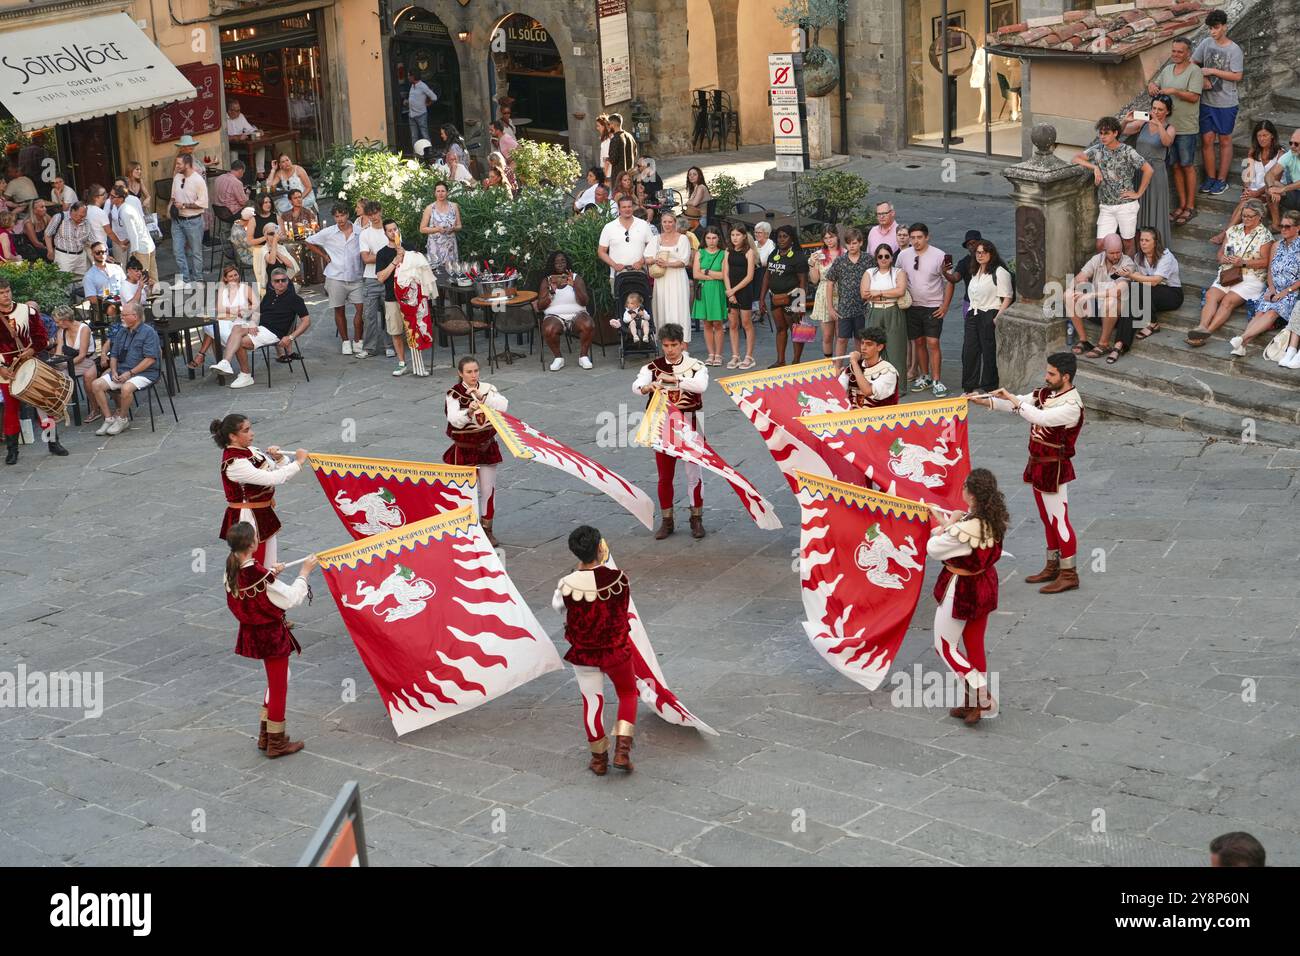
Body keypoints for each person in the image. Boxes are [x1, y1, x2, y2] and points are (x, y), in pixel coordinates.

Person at [969, 353, 1084, 595]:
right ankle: (1053, 565)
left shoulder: (1071, 406)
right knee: (1046, 518)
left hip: (1055, 467)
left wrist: (1011, 398)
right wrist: (985, 401)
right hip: (1038, 463)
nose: (1046, 376)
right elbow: (1016, 403)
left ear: (1066, 376)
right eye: (1047, 372)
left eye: (1051, 374)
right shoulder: (1046, 393)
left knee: (1059, 519)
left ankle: (1069, 573)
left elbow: (1039, 417)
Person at [223, 520, 316, 759]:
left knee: (278, 680)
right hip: (270, 634)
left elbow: (255, 590)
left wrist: (272, 573)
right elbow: (291, 598)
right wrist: (305, 572)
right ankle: (276, 742)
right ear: (253, 544)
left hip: (251, 633)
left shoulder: (231, 567)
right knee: (278, 686)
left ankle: (267, 735)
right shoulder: (260, 576)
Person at [551, 526, 639, 775]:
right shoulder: (619, 578)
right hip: (616, 650)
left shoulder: (565, 584)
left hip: (584, 652)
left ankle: (599, 759)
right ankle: (622, 751)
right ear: (600, 547)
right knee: (628, 694)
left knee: (592, 701)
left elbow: (558, 607)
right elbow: (624, 607)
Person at [926, 468, 1007, 725]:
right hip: (984, 585)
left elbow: (934, 548)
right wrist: (953, 521)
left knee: (944, 647)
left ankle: (981, 693)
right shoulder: (991, 518)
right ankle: (971, 703)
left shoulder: (966, 526)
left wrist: (945, 526)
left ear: (971, 495)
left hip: (961, 589)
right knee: (974, 646)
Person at [633, 323, 709, 540]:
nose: (670, 349)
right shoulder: (653, 367)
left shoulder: (696, 366)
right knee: (664, 477)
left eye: (674, 345)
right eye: (666, 345)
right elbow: (637, 385)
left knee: (694, 475)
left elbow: (700, 386)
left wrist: (675, 379)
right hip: (662, 427)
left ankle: (697, 518)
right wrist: (647, 387)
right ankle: (667, 521)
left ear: (682, 344)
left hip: (690, 425)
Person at [212, 412, 306, 570]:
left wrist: (279, 458)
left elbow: (277, 470)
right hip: (247, 519)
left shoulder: (252, 450)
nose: (252, 433)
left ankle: (267, 592)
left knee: (270, 564)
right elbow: (273, 478)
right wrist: (299, 462)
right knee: (256, 565)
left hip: (263, 512)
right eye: (246, 430)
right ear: (233, 436)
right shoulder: (235, 463)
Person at [1187, 200, 1274, 347]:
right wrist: (1222, 258)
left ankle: (1206, 333)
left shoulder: (1265, 235)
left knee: (1228, 301)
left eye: (1250, 216)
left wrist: (1243, 262)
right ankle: (1201, 326)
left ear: (1260, 216)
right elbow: (1220, 253)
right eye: (1244, 215)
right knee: (1210, 295)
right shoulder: (1233, 230)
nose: (1245, 219)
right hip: (1229, 273)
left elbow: (1266, 262)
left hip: (1251, 277)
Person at [0, 279, 68, 463]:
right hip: (6, 370)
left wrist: (31, 350)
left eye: (8, 291)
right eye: (2, 292)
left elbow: (41, 337)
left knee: (43, 405)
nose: (6, 295)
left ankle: (53, 442)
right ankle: (12, 451)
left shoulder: (27, 311)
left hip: (29, 364)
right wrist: (1, 369)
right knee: (11, 409)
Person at [445, 356, 508, 546]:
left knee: (488, 491)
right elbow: (454, 419)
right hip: (465, 449)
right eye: (469, 372)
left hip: (487, 447)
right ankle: (469, 531)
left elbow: (504, 406)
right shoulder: (453, 394)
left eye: (476, 371)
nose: (473, 375)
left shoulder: (488, 389)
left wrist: (483, 399)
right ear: (460, 374)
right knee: (466, 492)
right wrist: (469, 411)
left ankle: (487, 530)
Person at [1072, 116, 1153, 257]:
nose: (1102, 137)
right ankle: (1107, 275)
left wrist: (1138, 193)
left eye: (1106, 133)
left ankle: (1127, 275)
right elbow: (1076, 158)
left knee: (1127, 243)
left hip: (1125, 205)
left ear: (1115, 133)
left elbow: (1148, 170)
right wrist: (1094, 167)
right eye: (1101, 133)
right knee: (1101, 244)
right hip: (1106, 206)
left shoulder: (1127, 151)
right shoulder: (1097, 150)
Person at [221, 267, 311, 386]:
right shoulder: (269, 295)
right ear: (272, 283)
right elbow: (257, 312)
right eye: (277, 281)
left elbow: (306, 321)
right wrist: (252, 323)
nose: (280, 283)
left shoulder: (295, 299)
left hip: (274, 333)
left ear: (287, 281)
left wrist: (290, 337)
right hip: (261, 329)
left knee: (240, 341)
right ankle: (226, 362)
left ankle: (245, 374)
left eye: (283, 280)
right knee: (237, 328)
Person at [1150, 37, 1203, 226]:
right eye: (1173, 51)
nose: (1176, 54)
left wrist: (1175, 91)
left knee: (1187, 165)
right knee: (1175, 166)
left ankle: (1190, 206)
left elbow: (1194, 96)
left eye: (1180, 51)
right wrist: (1152, 86)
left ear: (1188, 52)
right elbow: (1155, 86)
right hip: (1168, 127)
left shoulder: (1194, 71)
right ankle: (1181, 205)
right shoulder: (1167, 70)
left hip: (1186, 127)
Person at [1235, 210, 1300, 361]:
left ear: (1298, 228)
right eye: (1282, 226)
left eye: (1288, 226)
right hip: (1273, 287)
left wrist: (1285, 291)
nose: (1283, 229)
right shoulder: (1276, 245)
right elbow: (1270, 269)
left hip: (1290, 292)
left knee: (1272, 312)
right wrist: (1271, 288)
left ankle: (1242, 339)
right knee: (1260, 312)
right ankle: (1242, 346)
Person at [89, 301, 161, 439]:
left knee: (126, 388)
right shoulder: (122, 331)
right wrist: (114, 371)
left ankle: (122, 419)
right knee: (96, 384)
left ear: (135, 316)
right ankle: (109, 419)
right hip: (122, 370)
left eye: (124, 315)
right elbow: (114, 354)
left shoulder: (148, 332)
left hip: (145, 373)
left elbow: (150, 359)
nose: (121, 317)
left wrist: (130, 373)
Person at [1193, 10, 1244, 198]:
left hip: (1226, 103)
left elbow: (1237, 75)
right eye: (1210, 28)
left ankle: (1222, 180)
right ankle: (1210, 178)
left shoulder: (1234, 49)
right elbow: (1193, 62)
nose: (1212, 32)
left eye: (1215, 28)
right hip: (1207, 102)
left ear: (1224, 26)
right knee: (1206, 141)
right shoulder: (1206, 43)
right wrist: (1201, 77)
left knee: (1224, 140)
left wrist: (1212, 71)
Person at [898, 223, 954, 396]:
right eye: (912, 238)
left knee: (933, 342)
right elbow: (898, 277)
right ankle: (925, 375)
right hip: (912, 306)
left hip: (933, 306)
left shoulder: (940, 255)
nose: (915, 241)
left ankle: (937, 379)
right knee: (919, 342)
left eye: (919, 237)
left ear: (927, 237)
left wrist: (945, 305)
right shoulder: (903, 255)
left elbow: (950, 281)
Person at [307, 205, 366, 356]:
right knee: (339, 309)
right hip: (335, 276)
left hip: (356, 276)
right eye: (337, 216)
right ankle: (345, 341)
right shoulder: (329, 232)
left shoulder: (360, 232)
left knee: (361, 309)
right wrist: (324, 256)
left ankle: (358, 340)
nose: (340, 219)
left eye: (342, 215)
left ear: (347, 215)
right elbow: (308, 241)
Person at [1211, 121, 1283, 242]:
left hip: (1270, 191)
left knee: (1246, 203)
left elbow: (1276, 180)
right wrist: (1246, 189)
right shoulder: (1253, 151)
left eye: (1265, 135)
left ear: (1272, 136)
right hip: (1253, 191)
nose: (1261, 139)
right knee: (1246, 201)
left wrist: (1255, 193)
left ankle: (1225, 234)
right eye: (1259, 136)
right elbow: (1246, 175)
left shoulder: (1280, 154)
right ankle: (1227, 234)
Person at [1065, 234, 1134, 358]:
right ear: (1105, 250)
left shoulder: (1127, 263)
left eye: (1118, 252)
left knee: (1110, 301)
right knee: (1068, 295)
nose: (1116, 256)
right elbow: (1079, 277)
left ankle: (1104, 344)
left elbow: (1117, 291)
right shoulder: (1097, 259)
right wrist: (1081, 283)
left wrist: (1090, 294)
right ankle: (1083, 340)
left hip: (1116, 312)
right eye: (1112, 253)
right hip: (1096, 307)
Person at [960, 239, 1013, 390]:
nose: (980, 255)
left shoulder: (1000, 272)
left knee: (988, 351)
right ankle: (969, 386)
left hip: (989, 313)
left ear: (991, 253)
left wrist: (997, 317)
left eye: (983, 252)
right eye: (978, 252)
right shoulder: (975, 271)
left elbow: (1007, 297)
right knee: (969, 351)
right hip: (973, 313)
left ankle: (989, 386)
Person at [1122, 95, 1175, 246]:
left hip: (1156, 174)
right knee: (1138, 210)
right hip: (1139, 171)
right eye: (1154, 108)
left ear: (1167, 112)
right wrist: (1126, 120)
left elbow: (1167, 141)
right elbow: (1122, 132)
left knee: (1154, 209)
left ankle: (1155, 248)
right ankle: (1140, 247)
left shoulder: (1169, 128)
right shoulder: (1142, 124)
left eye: (1160, 109)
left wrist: (1158, 124)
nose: (1156, 112)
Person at [193, 264, 259, 375]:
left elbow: (256, 305)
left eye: (235, 275)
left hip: (240, 323)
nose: (234, 278)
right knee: (211, 326)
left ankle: (203, 355)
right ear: (225, 278)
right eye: (230, 276)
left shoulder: (245, 288)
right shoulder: (222, 289)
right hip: (226, 320)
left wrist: (230, 311)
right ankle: (220, 363)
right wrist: (238, 310)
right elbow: (219, 308)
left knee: (214, 331)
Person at [537, 250, 594, 371]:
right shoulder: (546, 281)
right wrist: (552, 291)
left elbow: (584, 302)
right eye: (556, 262)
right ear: (552, 264)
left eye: (563, 261)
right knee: (548, 329)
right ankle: (558, 358)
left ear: (567, 263)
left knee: (588, 324)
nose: (560, 264)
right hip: (554, 316)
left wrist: (574, 286)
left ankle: (583, 356)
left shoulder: (575, 278)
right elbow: (540, 306)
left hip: (577, 314)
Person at [760, 224, 808, 368]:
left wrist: (801, 303)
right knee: (780, 329)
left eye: (785, 236)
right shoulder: (773, 254)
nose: (781, 239)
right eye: (779, 236)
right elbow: (767, 277)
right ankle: (780, 360)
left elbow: (803, 281)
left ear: (791, 239)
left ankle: (796, 361)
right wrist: (762, 298)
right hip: (775, 297)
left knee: (796, 329)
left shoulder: (798, 257)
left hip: (793, 297)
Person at [1126, 226, 1183, 345]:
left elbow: (1154, 281)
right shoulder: (1138, 257)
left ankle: (1152, 323)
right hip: (1152, 291)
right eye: (1141, 240)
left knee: (1139, 287)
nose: (1143, 243)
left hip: (1172, 294)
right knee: (1133, 288)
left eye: (1147, 240)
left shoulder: (1166, 257)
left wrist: (1131, 275)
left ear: (1155, 242)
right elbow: (1140, 278)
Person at [860, 243, 908, 376]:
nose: (883, 259)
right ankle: (873, 382)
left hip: (893, 310)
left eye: (887, 256)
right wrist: (888, 292)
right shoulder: (869, 272)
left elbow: (900, 291)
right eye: (880, 256)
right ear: (876, 258)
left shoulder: (899, 272)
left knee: (896, 350)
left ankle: (898, 386)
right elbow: (864, 294)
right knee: (872, 349)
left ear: (892, 258)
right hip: (874, 310)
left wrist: (878, 292)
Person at [825, 228, 872, 363]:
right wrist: (830, 307)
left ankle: (859, 367)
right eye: (849, 243)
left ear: (861, 243)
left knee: (860, 339)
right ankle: (838, 367)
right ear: (845, 244)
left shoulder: (868, 260)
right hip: (844, 308)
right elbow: (830, 282)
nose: (851, 246)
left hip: (862, 308)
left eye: (855, 243)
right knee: (841, 339)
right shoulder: (840, 261)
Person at [392, 238, 438, 377]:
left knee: (414, 333)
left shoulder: (406, 265)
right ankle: (419, 368)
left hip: (415, 304)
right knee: (413, 334)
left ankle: (420, 367)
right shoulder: (405, 265)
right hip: (412, 305)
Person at [645, 212, 692, 345]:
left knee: (680, 310)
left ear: (675, 223)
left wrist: (668, 263)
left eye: (670, 222)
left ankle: (683, 346)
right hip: (662, 279)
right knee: (663, 310)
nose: (667, 225)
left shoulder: (682, 239)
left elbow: (684, 261)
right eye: (664, 222)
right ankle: (666, 346)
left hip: (677, 279)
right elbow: (647, 258)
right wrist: (656, 259)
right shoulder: (657, 239)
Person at [374, 219, 409, 376]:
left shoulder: (409, 247)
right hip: (392, 297)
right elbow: (380, 278)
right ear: (385, 233)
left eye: (395, 229)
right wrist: (395, 260)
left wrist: (405, 255)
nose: (394, 232)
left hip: (410, 296)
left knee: (413, 330)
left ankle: (417, 360)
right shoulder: (382, 253)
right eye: (390, 230)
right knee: (395, 331)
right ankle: (402, 363)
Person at [356, 200, 389, 359]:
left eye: (376, 213)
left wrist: (376, 256)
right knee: (369, 316)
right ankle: (369, 348)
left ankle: (390, 345)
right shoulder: (364, 234)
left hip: (389, 277)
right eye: (371, 214)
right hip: (370, 278)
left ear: (381, 211)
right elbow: (365, 258)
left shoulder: (390, 229)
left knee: (389, 315)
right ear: (367, 216)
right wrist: (385, 256)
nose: (374, 217)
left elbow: (397, 252)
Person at [692, 225, 728, 366]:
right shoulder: (700, 252)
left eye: (714, 238)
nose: (711, 241)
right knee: (706, 323)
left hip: (717, 291)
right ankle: (710, 354)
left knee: (718, 323)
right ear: (704, 239)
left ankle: (718, 355)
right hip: (704, 290)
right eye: (708, 238)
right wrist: (714, 275)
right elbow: (695, 274)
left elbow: (724, 275)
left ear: (718, 238)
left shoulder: (724, 253)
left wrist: (706, 272)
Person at [598, 195, 655, 282]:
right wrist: (614, 265)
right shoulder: (609, 227)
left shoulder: (643, 224)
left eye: (629, 206)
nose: (627, 209)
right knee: (618, 296)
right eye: (624, 207)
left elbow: (651, 246)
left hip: (640, 273)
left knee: (642, 296)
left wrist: (641, 262)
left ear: (633, 208)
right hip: (617, 275)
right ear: (619, 209)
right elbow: (601, 251)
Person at [170, 155, 208, 285]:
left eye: (179, 164)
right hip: (177, 221)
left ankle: (199, 279)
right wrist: (170, 208)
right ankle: (185, 279)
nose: (177, 166)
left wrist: (185, 205)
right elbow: (173, 197)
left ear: (187, 164)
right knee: (178, 251)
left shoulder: (198, 180)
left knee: (196, 252)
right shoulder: (177, 177)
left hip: (193, 221)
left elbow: (203, 203)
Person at [807, 228, 844, 362]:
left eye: (831, 237)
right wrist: (811, 263)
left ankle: (838, 363)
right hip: (824, 293)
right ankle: (828, 362)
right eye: (826, 238)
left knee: (841, 335)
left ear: (837, 237)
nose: (829, 240)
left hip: (841, 293)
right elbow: (814, 279)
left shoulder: (844, 253)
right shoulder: (818, 254)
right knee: (827, 335)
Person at [53, 304, 96, 416]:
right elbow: (58, 353)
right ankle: (59, 408)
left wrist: (66, 365)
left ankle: (95, 408)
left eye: (58, 322)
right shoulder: (61, 331)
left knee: (88, 379)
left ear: (66, 320)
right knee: (56, 376)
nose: (56, 324)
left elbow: (82, 355)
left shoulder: (84, 329)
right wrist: (54, 363)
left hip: (87, 359)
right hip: (70, 361)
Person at [841, 326, 899, 408]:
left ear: (880, 347)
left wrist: (854, 362)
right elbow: (837, 392)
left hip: (879, 419)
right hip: (852, 418)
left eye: (869, 344)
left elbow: (867, 391)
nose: (863, 348)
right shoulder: (851, 368)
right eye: (862, 343)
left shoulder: (888, 371)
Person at [723, 226, 756, 369]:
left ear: (744, 236)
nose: (734, 238)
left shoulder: (749, 252)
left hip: (744, 291)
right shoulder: (727, 251)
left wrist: (733, 291)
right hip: (731, 291)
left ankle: (749, 356)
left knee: (746, 323)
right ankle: (735, 355)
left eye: (737, 235)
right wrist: (729, 291)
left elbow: (749, 276)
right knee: (733, 324)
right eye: (732, 235)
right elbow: (725, 273)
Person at [109, 186, 156, 277]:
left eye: (112, 196)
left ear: (121, 198)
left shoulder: (125, 212)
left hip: (141, 249)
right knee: (153, 277)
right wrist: (125, 242)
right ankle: (155, 290)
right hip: (148, 244)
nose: (110, 198)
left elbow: (133, 234)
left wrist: (133, 254)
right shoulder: (126, 207)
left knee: (142, 278)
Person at [44, 201, 92, 278]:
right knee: (64, 283)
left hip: (81, 256)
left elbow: (90, 240)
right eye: (80, 216)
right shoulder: (59, 217)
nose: (82, 218)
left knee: (81, 282)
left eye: (84, 216)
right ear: (72, 211)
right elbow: (47, 234)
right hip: (64, 256)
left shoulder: (86, 221)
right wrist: (50, 250)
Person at [420, 182, 461, 271]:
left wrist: (453, 228)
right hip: (435, 246)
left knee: (451, 272)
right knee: (436, 274)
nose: (440, 193)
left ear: (447, 192)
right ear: (435, 193)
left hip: (450, 246)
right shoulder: (430, 208)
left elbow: (459, 226)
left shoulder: (454, 206)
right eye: (438, 191)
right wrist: (437, 229)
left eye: (443, 191)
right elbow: (422, 229)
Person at [225, 100, 265, 177]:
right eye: (237, 111)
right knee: (233, 153)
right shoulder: (223, 119)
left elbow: (249, 129)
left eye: (239, 110)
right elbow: (223, 137)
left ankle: (259, 173)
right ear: (230, 111)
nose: (239, 112)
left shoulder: (241, 116)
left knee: (261, 148)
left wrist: (257, 131)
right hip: (231, 147)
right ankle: (235, 176)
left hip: (242, 146)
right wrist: (238, 137)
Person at [1266, 130, 1300, 215]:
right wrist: (1272, 188)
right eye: (1290, 143)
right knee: (1271, 185)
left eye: (1296, 144)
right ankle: (1276, 223)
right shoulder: (1290, 154)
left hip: (1293, 190)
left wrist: (1283, 189)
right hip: (1294, 192)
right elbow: (1270, 174)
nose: (1292, 146)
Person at [407, 71, 438, 150]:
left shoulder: (422, 86)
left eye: (409, 76)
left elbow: (434, 97)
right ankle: (416, 153)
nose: (408, 78)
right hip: (412, 115)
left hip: (421, 114)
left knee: (424, 134)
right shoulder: (412, 86)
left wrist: (428, 104)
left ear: (413, 77)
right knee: (414, 136)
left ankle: (429, 152)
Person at [606, 113, 638, 186]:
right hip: (629, 177)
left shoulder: (615, 139)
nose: (608, 127)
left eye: (609, 124)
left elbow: (613, 159)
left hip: (619, 178)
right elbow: (635, 153)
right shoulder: (630, 136)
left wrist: (608, 159)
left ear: (613, 124)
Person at [752, 220, 775, 317]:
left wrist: (757, 262)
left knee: (758, 277)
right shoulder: (753, 243)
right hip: (753, 270)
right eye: (755, 232)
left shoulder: (771, 245)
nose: (756, 234)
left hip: (764, 273)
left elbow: (771, 261)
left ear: (766, 234)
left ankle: (757, 308)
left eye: (759, 232)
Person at [596, 114, 613, 180]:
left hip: (608, 175)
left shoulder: (607, 141)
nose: (597, 128)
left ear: (604, 126)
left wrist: (603, 177)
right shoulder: (610, 138)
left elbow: (607, 160)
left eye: (598, 126)